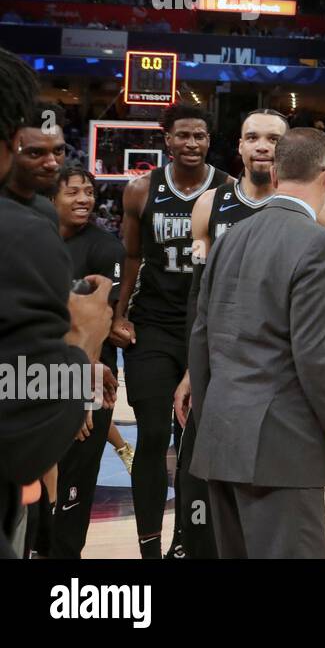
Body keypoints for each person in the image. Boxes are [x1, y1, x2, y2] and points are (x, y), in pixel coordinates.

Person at [172, 109, 325, 559]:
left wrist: (208, 412)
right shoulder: (318, 244)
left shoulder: (229, 237)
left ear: (274, 173)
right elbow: (316, 359)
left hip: (220, 439)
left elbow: (201, 337)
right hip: (280, 451)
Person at [0, 49, 112, 558]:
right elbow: (23, 438)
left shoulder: (46, 226)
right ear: (9, 143)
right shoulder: (24, 232)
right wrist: (84, 343)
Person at [111, 103, 229, 558]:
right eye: (183, 135)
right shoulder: (141, 191)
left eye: (200, 135)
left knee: (194, 438)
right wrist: (118, 315)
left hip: (204, 326)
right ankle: (149, 547)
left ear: (209, 141)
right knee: (155, 433)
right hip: (153, 325)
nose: (192, 143)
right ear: (167, 139)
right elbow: (132, 258)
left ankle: (187, 541)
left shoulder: (228, 191)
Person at [44, 166, 125, 558]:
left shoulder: (104, 247)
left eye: (89, 191)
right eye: (72, 191)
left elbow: (97, 327)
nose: (83, 199)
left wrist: (82, 393)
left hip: (88, 373)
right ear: (51, 198)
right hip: (35, 372)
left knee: (76, 480)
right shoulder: (31, 241)